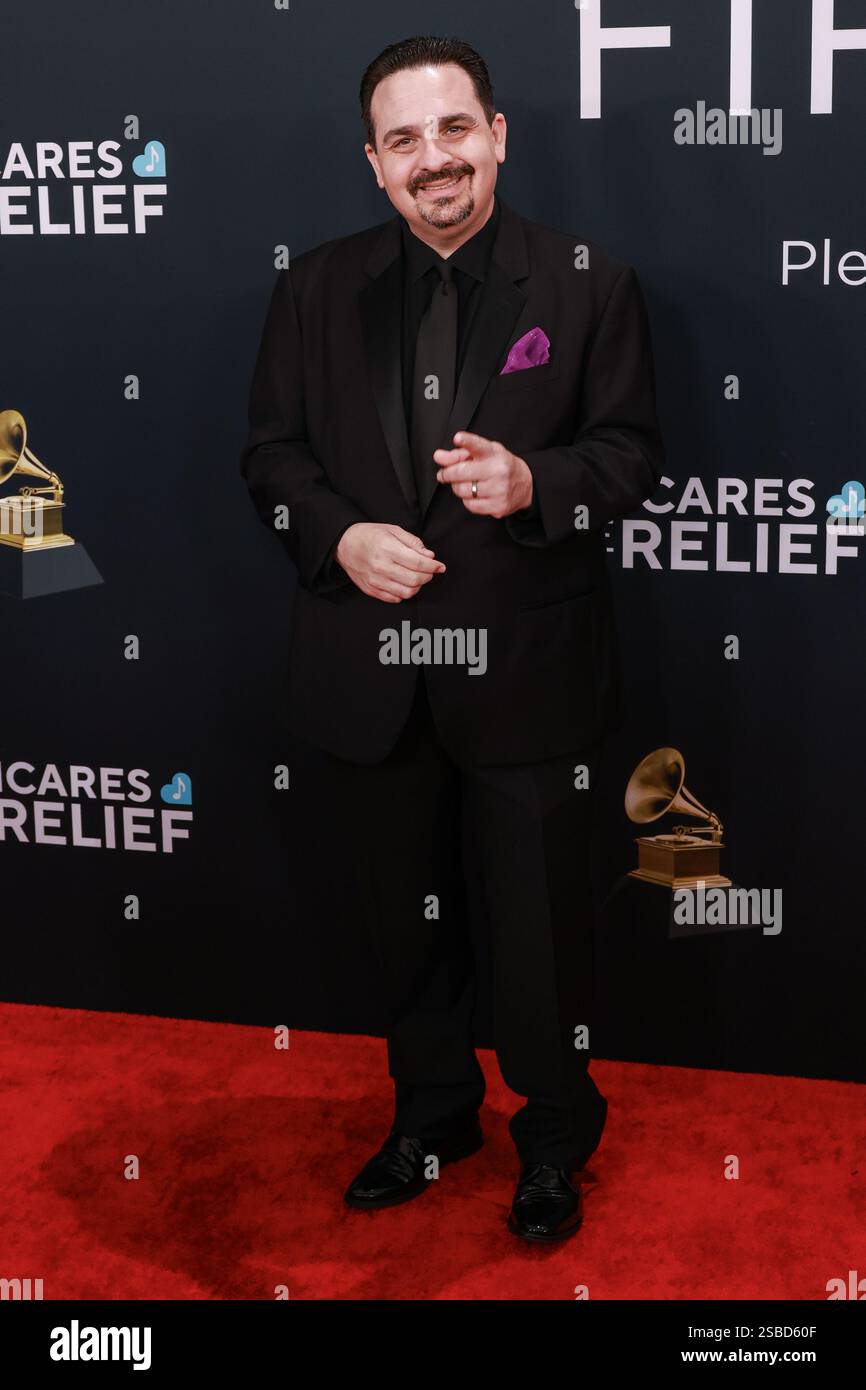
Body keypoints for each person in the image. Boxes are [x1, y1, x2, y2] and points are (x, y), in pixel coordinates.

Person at [240, 34, 664, 1242]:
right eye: (405, 139)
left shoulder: (590, 279)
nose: (435, 159)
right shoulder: (312, 287)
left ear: (497, 135)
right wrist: (337, 539)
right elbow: (270, 456)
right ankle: (431, 1116)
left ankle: (551, 1140)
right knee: (402, 921)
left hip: (527, 674)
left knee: (540, 932)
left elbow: (632, 458)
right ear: (373, 163)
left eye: (454, 129)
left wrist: (537, 483)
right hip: (368, 676)